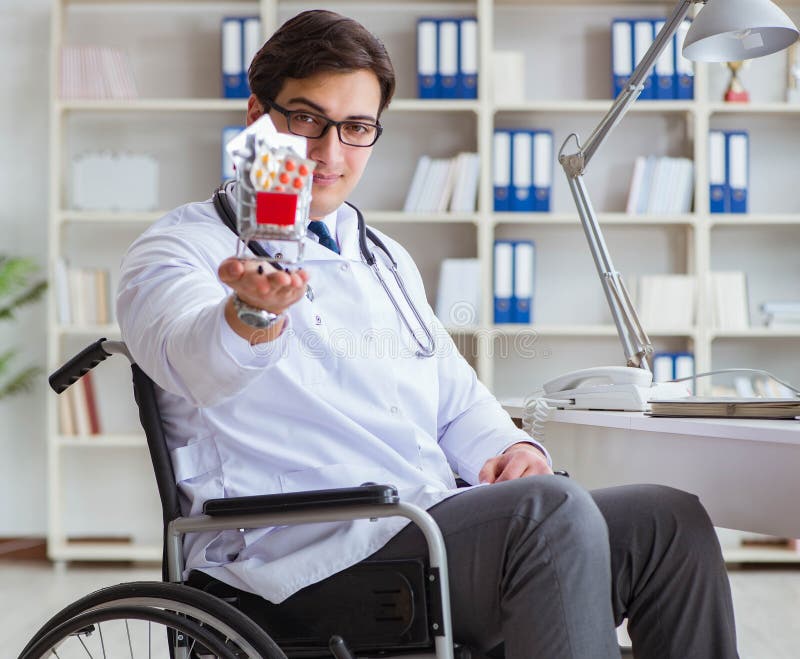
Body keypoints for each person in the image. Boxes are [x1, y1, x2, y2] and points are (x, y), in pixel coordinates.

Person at [117, 9, 738, 658]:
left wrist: (512, 448)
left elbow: (458, 399)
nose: (330, 151)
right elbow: (192, 355)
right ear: (256, 117)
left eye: (355, 127)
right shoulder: (178, 248)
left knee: (671, 522)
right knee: (549, 517)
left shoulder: (384, 256)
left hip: (422, 524)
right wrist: (251, 314)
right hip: (296, 559)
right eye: (306, 119)